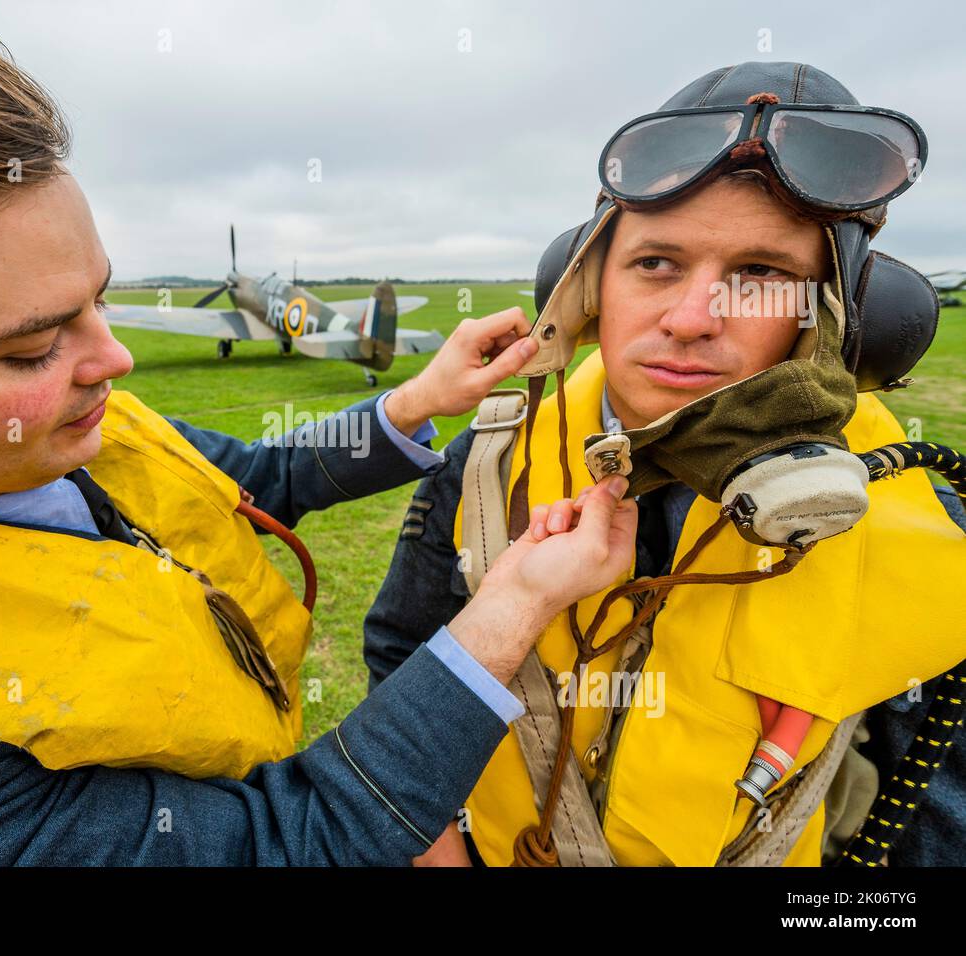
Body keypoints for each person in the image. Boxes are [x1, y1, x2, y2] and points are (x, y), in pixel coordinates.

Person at [0, 0, 642, 865]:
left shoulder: (59, 430)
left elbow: (255, 475)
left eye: (97, 299)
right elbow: (294, 837)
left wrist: (418, 397)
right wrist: (511, 602)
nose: (114, 361)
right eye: (26, 349)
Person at [365, 61, 966, 867]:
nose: (690, 319)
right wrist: (433, 849)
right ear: (585, 287)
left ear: (838, 319)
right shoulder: (490, 462)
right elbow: (400, 652)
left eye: (760, 275)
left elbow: (934, 821)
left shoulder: (916, 523)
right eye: (655, 263)